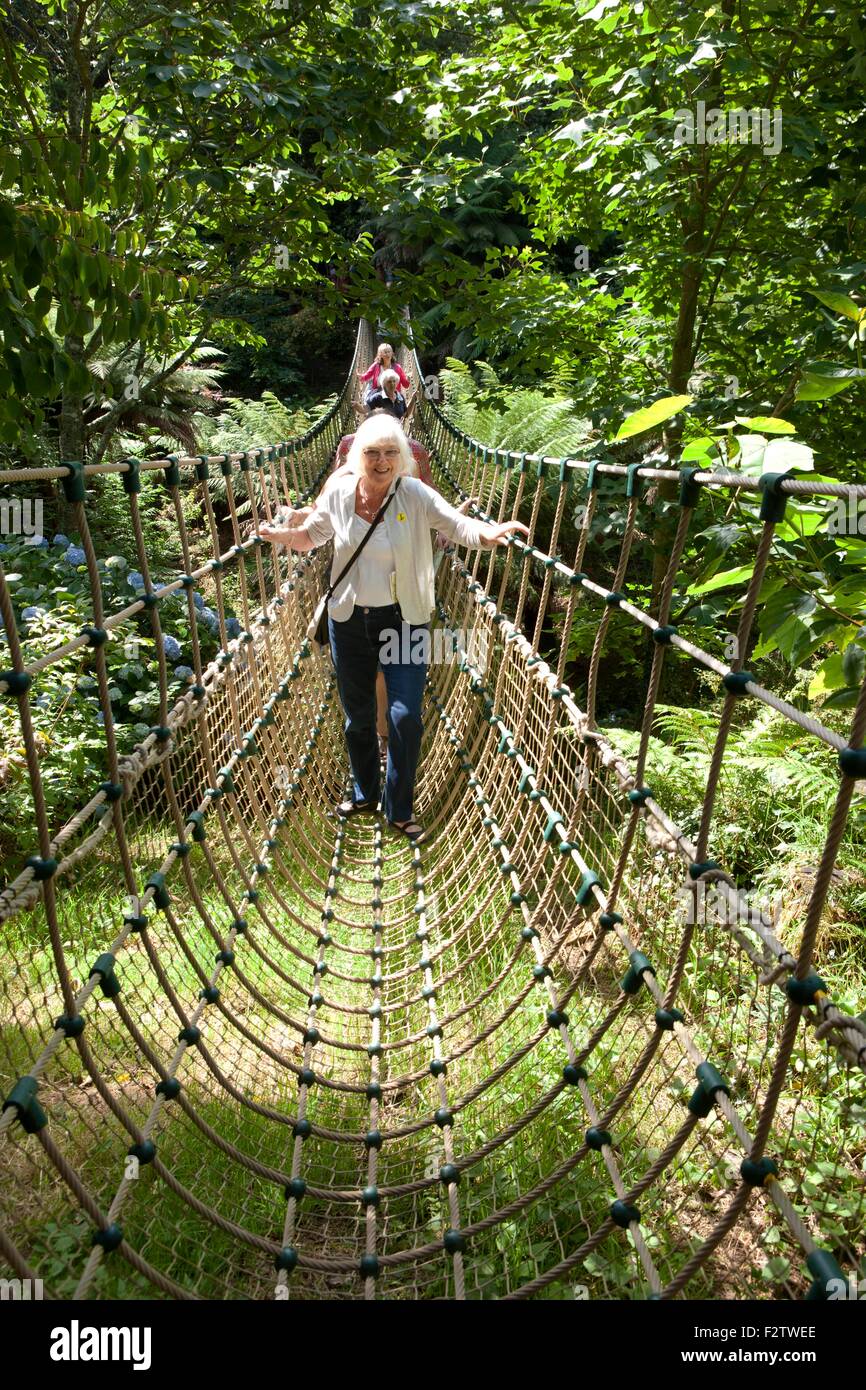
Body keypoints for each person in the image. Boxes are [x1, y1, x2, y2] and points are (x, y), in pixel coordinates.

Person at [259, 414, 528, 843]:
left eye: (390, 453)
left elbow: (456, 525)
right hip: (347, 620)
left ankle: (399, 807)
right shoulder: (341, 494)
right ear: (355, 457)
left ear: (401, 458)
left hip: (403, 619)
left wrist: (490, 534)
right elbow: (311, 536)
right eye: (371, 452)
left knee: (406, 718)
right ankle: (365, 793)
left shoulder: (415, 494)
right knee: (358, 717)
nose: (381, 461)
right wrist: (279, 536)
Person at [357, 343, 410, 408]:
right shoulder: (376, 365)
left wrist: (408, 380)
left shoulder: (397, 368)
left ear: (392, 353)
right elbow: (367, 375)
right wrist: (361, 377)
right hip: (378, 391)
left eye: (389, 352)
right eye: (385, 352)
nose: (387, 354)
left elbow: (405, 384)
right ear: (380, 354)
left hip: (393, 392)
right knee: (368, 404)